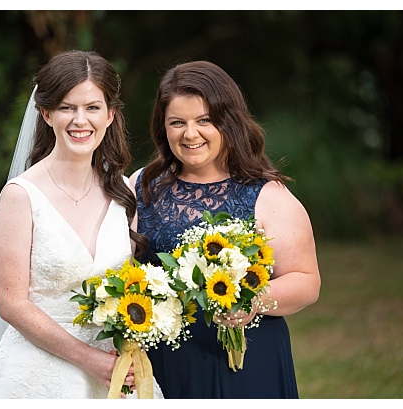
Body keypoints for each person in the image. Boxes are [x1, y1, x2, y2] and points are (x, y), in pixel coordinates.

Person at [0, 50, 153, 398]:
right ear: (46, 113)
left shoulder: (124, 191)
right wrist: (88, 359)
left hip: (112, 369)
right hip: (37, 373)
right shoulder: (21, 196)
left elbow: (130, 284)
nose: (79, 120)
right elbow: (12, 305)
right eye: (67, 107)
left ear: (111, 114)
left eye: (92, 108)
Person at [132, 60, 320, 398]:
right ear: (163, 128)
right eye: (178, 122)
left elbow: (307, 281)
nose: (190, 134)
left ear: (228, 121)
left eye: (204, 120)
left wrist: (252, 301)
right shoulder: (141, 186)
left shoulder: (268, 194)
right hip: (163, 365)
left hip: (245, 366)